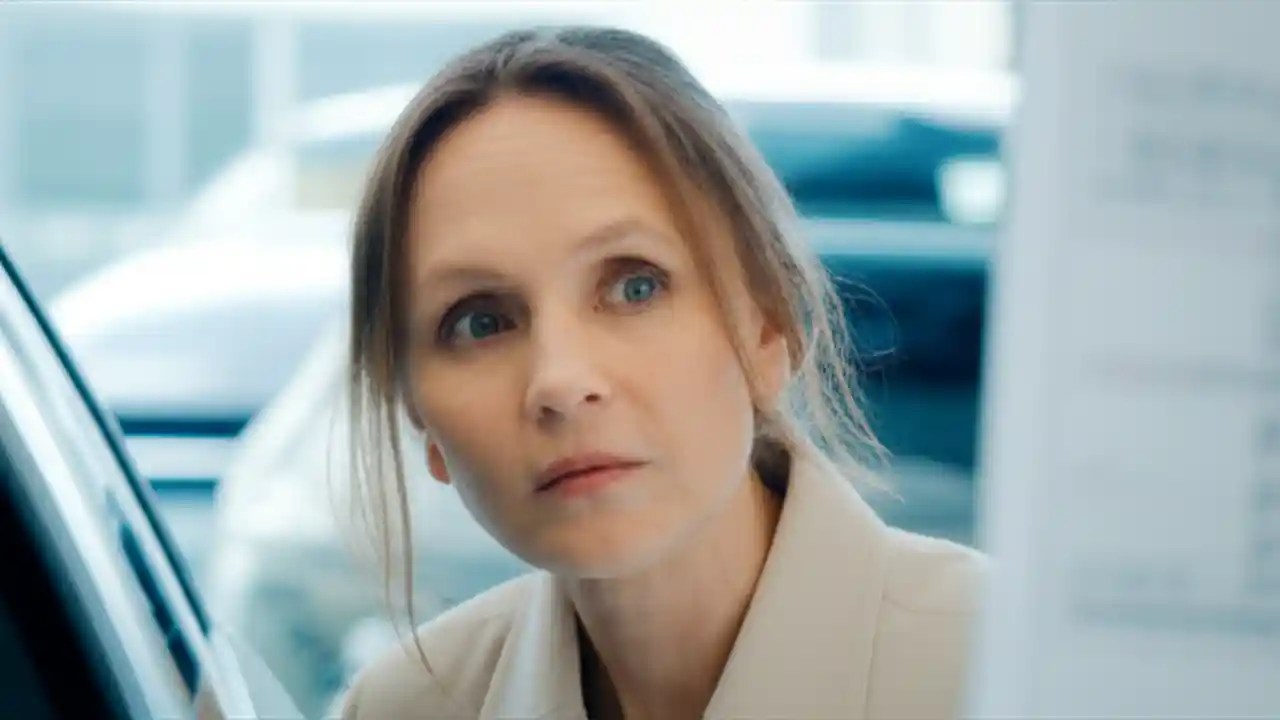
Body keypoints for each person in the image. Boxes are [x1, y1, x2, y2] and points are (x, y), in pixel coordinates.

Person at [339, 25, 986, 720]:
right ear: (422, 423)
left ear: (768, 331)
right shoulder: (405, 707)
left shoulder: (1010, 668)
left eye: (634, 286)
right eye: (480, 322)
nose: (559, 381)